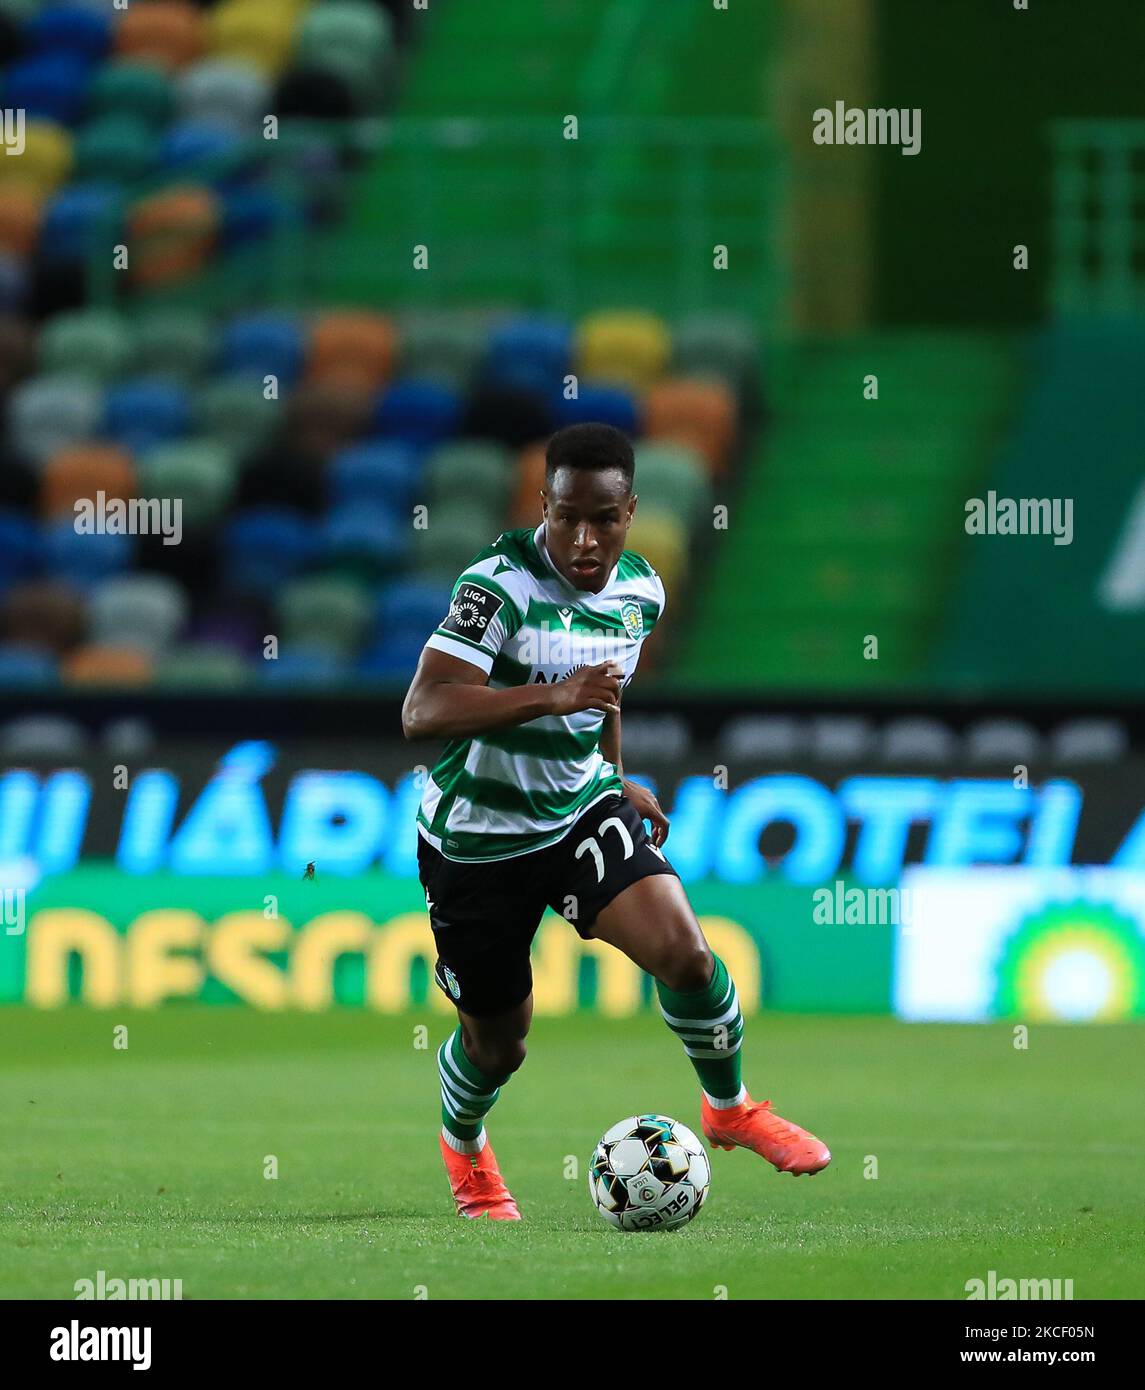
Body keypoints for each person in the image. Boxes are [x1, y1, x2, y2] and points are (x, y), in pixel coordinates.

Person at [402, 422, 830, 1219]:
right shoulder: (496, 588)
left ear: (630, 510)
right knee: (501, 1044)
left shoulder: (641, 592)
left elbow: (607, 691)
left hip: (575, 814)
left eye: (603, 518)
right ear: (544, 505)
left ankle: (729, 1108)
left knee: (688, 957)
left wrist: (613, 776)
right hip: (475, 843)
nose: (583, 538)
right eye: (566, 516)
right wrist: (551, 695)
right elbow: (422, 711)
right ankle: (463, 1146)